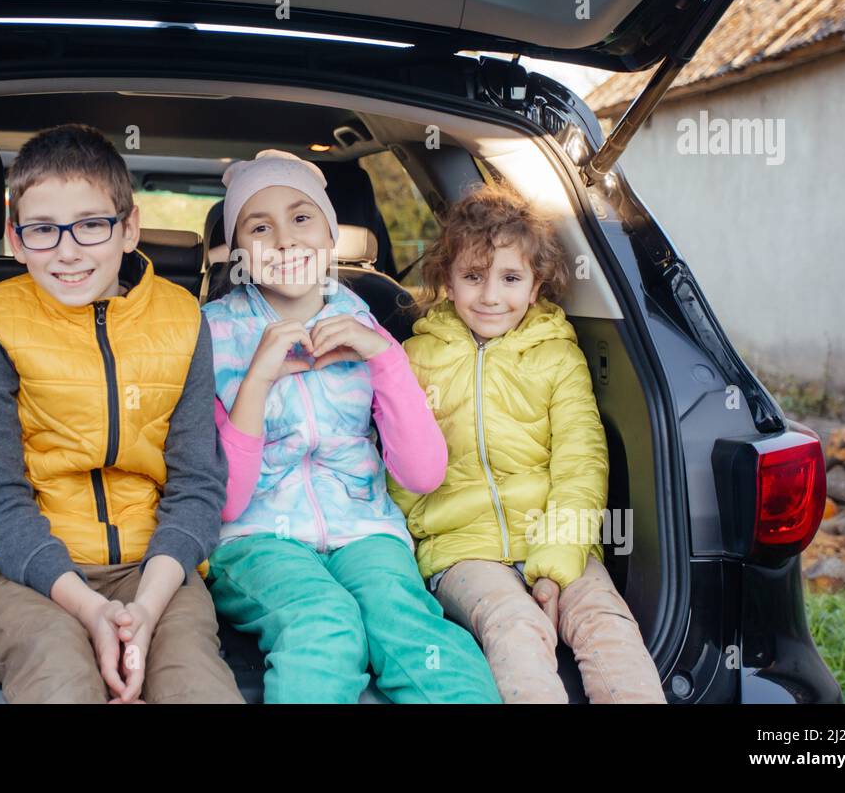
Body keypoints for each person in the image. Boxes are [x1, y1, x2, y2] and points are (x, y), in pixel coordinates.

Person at [202, 149, 501, 704]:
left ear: (330, 231)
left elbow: (423, 473)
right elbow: (226, 501)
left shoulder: (369, 320)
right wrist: (257, 380)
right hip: (256, 539)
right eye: (259, 226)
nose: (286, 241)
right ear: (238, 248)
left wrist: (385, 360)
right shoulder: (211, 335)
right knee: (327, 625)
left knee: (417, 635)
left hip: (366, 530)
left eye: (301, 218)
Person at [0, 123, 242, 703]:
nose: (67, 250)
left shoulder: (184, 319)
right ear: (15, 239)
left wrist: (143, 609)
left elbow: (197, 485)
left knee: (198, 686)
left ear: (129, 228)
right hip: (26, 574)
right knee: (57, 680)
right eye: (42, 230)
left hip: (157, 568)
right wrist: (90, 610)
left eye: (91, 225)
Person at [391, 182, 665, 703]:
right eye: (473, 277)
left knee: (607, 624)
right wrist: (399, 559)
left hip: (558, 536)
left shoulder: (558, 356)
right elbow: (397, 468)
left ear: (536, 286)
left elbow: (581, 461)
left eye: (510, 278)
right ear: (447, 282)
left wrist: (557, 560)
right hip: (460, 551)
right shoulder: (414, 359)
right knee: (515, 627)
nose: (491, 296)